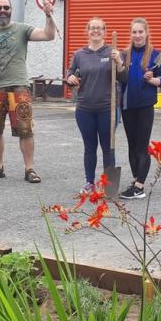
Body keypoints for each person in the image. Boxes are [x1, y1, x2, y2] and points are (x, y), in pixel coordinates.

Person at [0, 0, 57, 183]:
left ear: (11, 9)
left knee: (25, 130)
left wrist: (48, 16)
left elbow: (48, 35)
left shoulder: (22, 29)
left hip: (19, 87)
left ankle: (29, 169)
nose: (2, 10)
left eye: (6, 7)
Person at [65, 17, 124, 192]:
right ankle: (89, 183)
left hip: (108, 108)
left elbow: (124, 77)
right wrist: (70, 78)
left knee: (108, 147)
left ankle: (109, 187)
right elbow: (69, 74)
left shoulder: (112, 52)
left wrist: (119, 61)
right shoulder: (79, 54)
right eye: (92, 28)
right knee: (89, 147)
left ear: (105, 32)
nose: (96, 31)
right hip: (85, 109)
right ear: (87, 31)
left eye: (99, 28)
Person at [116, 17, 161, 200]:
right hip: (127, 106)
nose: (137, 35)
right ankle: (137, 179)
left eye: (140, 32)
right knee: (132, 145)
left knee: (142, 145)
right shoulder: (123, 55)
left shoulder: (155, 55)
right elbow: (119, 78)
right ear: (130, 34)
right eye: (134, 32)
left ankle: (139, 187)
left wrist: (153, 80)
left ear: (146, 33)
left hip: (145, 105)